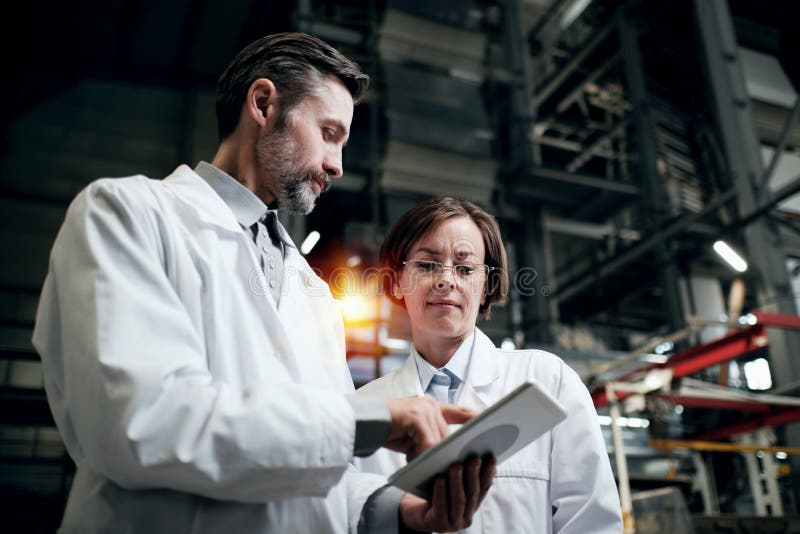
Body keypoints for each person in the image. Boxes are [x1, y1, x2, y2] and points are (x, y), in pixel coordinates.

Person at [32, 33, 495, 533]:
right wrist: (372, 421)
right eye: (329, 132)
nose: (336, 165)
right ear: (263, 103)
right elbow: (141, 421)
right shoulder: (127, 214)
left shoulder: (312, 290)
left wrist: (398, 512)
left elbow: (325, 464)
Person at [356, 197, 622, 532]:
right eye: (426, 266)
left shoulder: (547, 382)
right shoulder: (365, 410)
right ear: (396, 280)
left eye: (465, 269)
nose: (446, 280)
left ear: (486, 286)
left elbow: (591, 522)